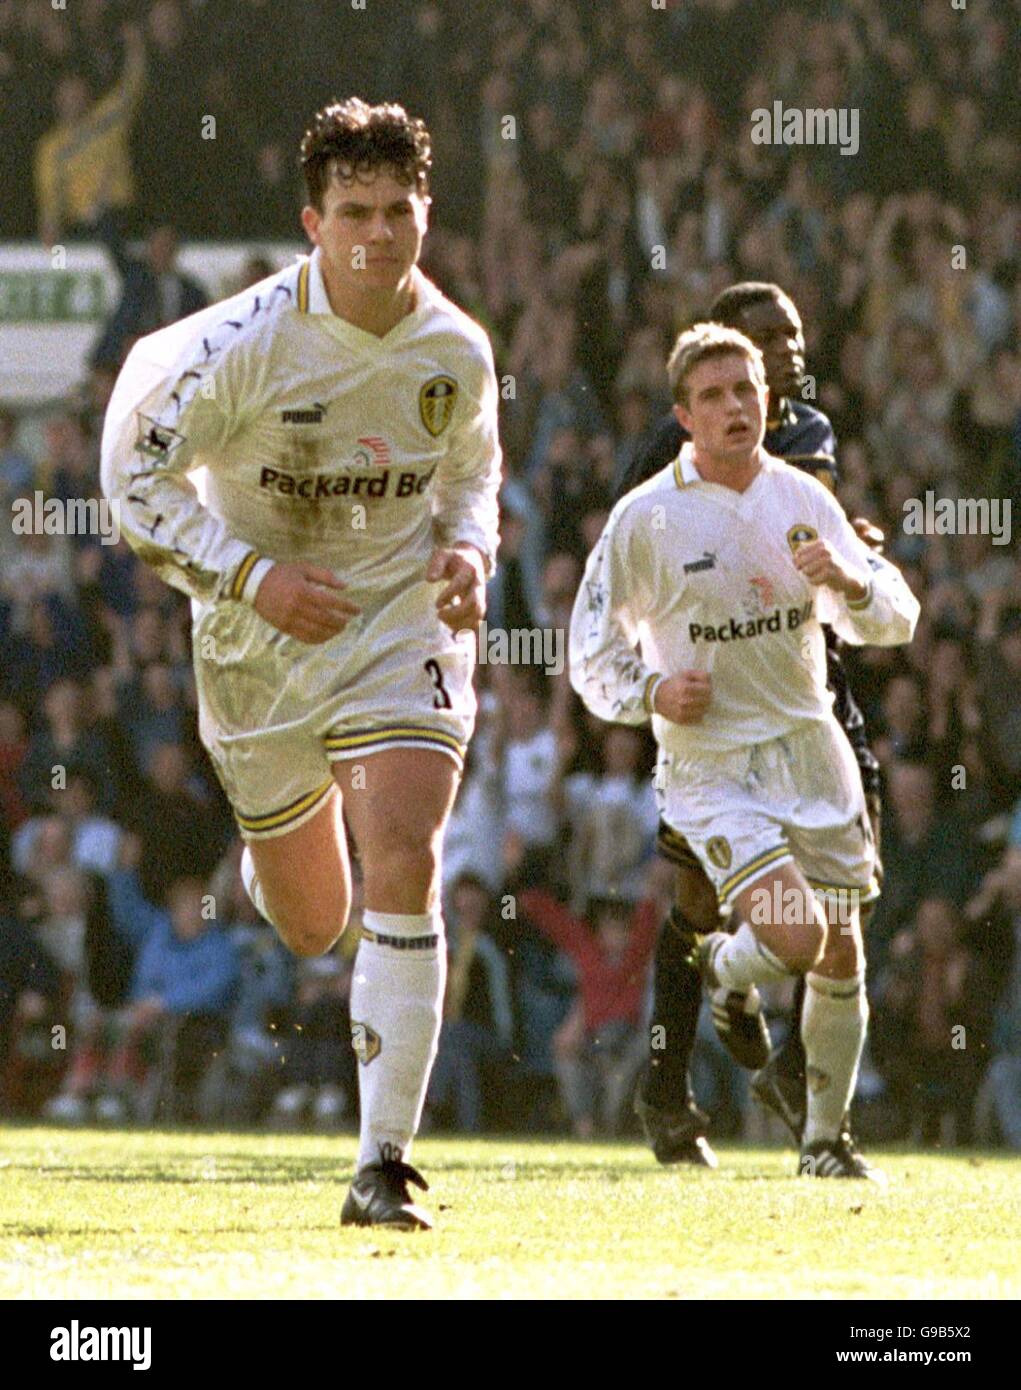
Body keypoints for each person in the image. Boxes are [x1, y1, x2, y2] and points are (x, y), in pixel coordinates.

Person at [100, 99, 501, 1228]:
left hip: (394, 628)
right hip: (257, 649)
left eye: (399, 211)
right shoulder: (232, 346)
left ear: (426, 213)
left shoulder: (456, 348)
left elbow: (471, 472)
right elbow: (132, 482)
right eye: (356, 212)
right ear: (312, 222)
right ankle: (282, 835)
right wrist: (249, 576)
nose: (380, 233)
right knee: (313, 923)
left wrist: (469, 549)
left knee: (406, 854)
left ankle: (382, 1164)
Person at [570, 323, 919, 1179]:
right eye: (715, 395)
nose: (736, 407)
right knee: (798, 936)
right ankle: (725, 971)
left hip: (808, 743)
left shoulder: (802, 497)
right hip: (711, 766)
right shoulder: (645, 517)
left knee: (841, 948)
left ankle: (823, 1145)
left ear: (768, 398)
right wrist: (650, 693)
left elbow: (895, 619)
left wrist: (848, 580)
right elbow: (587, 650)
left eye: (748, 390)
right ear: (683, 416)